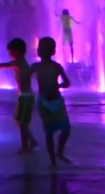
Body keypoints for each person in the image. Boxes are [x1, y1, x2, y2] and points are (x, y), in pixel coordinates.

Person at [0, 37, 38, 153]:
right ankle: (32, 141)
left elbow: (2, 66)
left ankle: (25, 147)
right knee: (18, 120)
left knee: (22, 122)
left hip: (27, 97)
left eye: (11, 51)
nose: (9, 54)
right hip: (22, 96)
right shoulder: (20, 63)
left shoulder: (19, 62)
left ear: (17, 51)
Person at [31, 37, 72, 168]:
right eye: (39, 48)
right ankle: (53, 160)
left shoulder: (57, 67)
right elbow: (25, 76)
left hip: (57, 101)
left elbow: (67, 82)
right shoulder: (35, 67)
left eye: (42, 48)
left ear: (52, 52)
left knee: (66, 129)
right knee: (49, 133)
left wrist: (59, 86)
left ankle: (59, 152)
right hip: (44, 103)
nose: (39, 50)